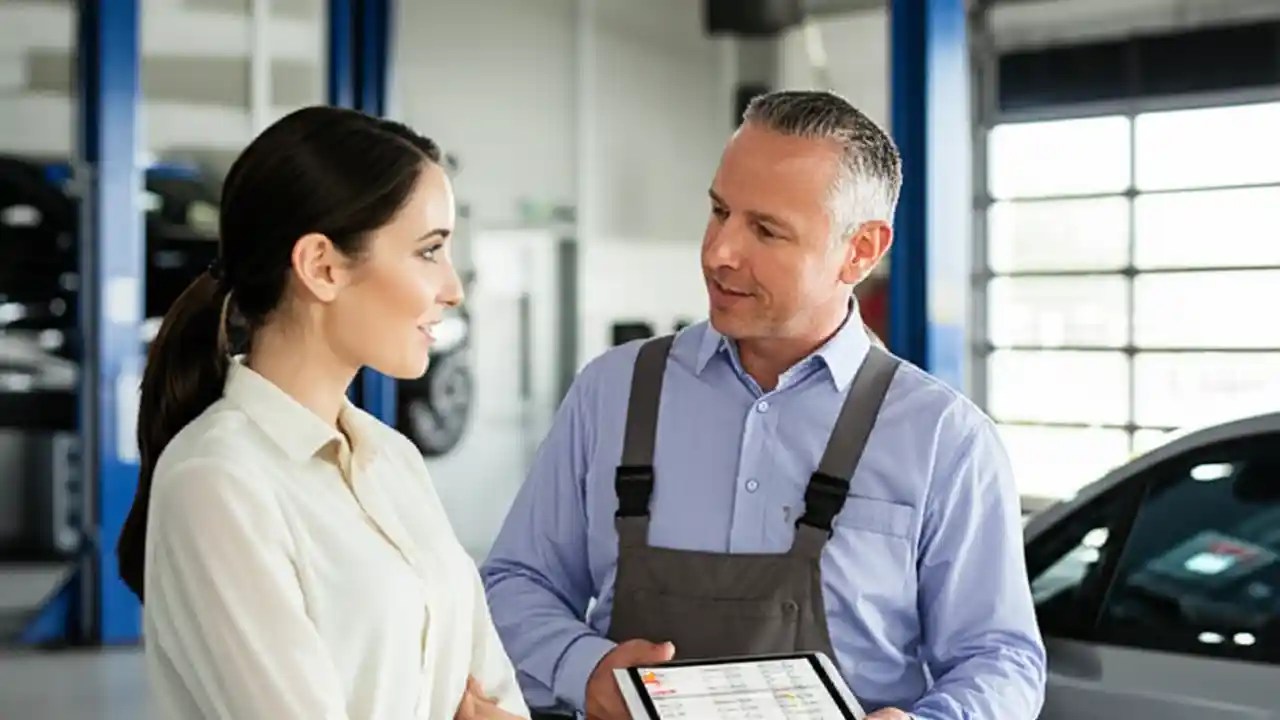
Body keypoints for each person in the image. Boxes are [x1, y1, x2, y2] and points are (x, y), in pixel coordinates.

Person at [480, 90, 1046, 720]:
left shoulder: (945, 438)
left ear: (860, 251)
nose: (719, 251)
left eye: (765, 230)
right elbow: (513, 586)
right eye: (719, 211)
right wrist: (582, 670)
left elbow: (1000, 657)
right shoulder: (611, 393)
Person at [115, 106, 529, 720]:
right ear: (322, 266)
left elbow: (496, 695)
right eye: (428, 252)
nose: (452, 287)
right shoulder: (219, 481)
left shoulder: (391, 460)